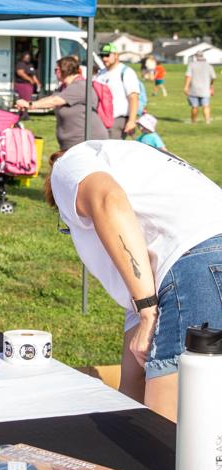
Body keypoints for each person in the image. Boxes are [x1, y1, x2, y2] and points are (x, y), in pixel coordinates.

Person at [46, 141, 222, 422]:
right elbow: (133, 377)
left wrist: (147, 307)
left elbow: (108, 200)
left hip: (199, 266)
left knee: (168, 438)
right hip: (201, 264)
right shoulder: (150, 169)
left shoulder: (68, 166)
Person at [16, 56, 107, 151]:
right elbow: (51, 98)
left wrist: (30, 105)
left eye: (56, 69)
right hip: (72, 143)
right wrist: (28, 104)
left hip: (87, 142)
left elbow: (55, 101)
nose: (55, 72)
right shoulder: (64, 87)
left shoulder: (80, 86)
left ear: (63, 70)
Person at [94, 43, 141, 138]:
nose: (104, 59)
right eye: (102, 56)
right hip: (100, 120)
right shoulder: (100, 73)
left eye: (107, 55)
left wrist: (131, 121)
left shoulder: (126, 72)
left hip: (117, 120)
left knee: (112, 151)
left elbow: (133, 98)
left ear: (116, 55)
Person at [184, 52, 215, 124]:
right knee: (206, 106)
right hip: (205, 90)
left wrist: (186, 87)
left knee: (194, 107)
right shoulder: (209, 66)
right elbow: (213, 78)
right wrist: (211, 87)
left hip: (194, 89)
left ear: (196, 57)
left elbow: (188, 76)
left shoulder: (191, 65)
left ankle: (193, 121)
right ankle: (207, 121)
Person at [14, 51, 40, 118]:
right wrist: (29, 79)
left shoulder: (30, 65)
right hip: (22, 84)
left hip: (29, 85)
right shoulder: (20, 64)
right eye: (26, 57)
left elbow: (34, 75)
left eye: (28, 57)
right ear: (23, 57)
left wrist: (38, 83)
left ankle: (25, 114)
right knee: (23, 99)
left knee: (27, 99)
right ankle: (22, 114)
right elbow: (20, 73)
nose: (27, 58)